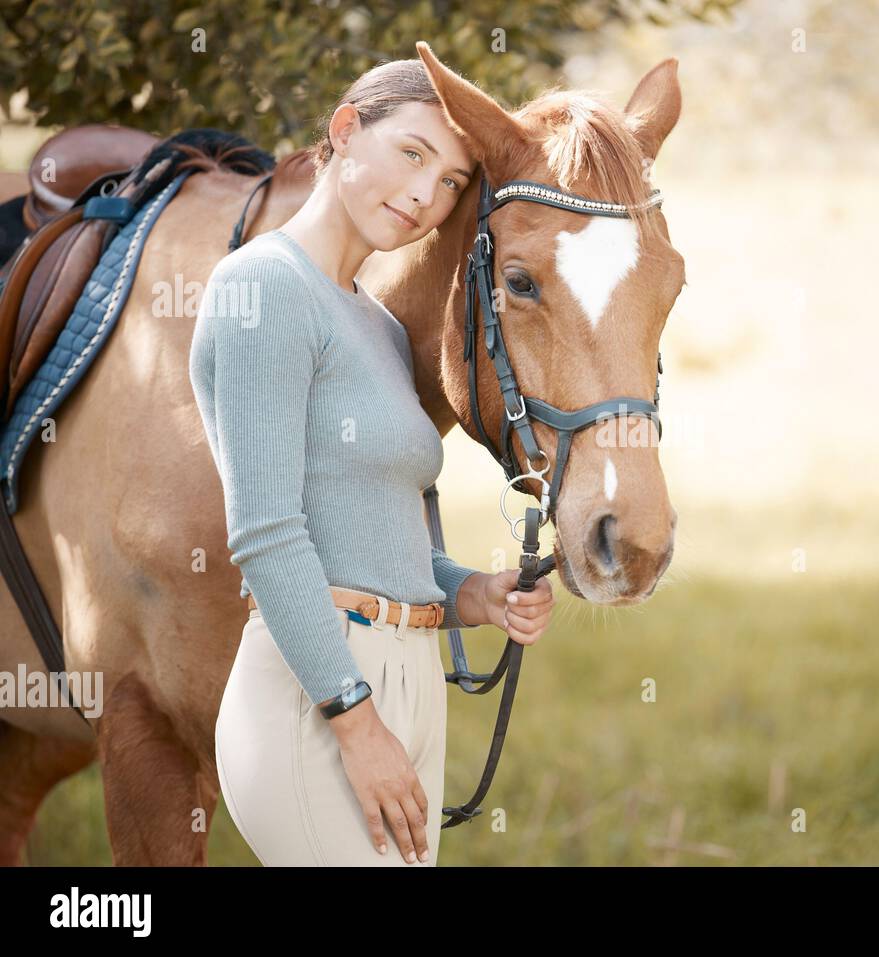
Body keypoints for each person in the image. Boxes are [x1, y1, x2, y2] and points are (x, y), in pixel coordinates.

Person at [188, 56, 554, 867]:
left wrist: (477, 594)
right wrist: (356, 722)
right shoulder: (265, 288)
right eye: (413, 154)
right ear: (346, 129)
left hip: (410, 681)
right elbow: (269, 536)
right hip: (320, 693)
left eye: (455, 181)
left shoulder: (379, 327)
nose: (428, 194)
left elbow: (373, 535)